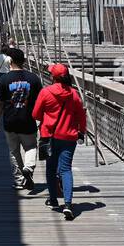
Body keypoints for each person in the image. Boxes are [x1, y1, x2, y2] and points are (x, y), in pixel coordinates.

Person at [33, 63, 88, 220]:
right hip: (69, 137)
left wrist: (47, 117)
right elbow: (81, 116)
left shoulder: (45, 92)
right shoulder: (73, 94)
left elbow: (36, 114)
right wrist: (81, 131)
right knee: (65, 169)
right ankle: (68, 204)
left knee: (51, 169)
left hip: (49, 136)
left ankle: (53, 199)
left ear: (53, 77)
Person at [0, 48, 43, 190]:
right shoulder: (34, 78)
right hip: (28, 119)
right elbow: (41, 100)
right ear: (24, 61)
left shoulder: (4, 79)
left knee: (13, 151)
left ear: (10, 61)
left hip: (10, 120)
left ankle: (20, 179)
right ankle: (28, 167)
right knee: (31, 147)